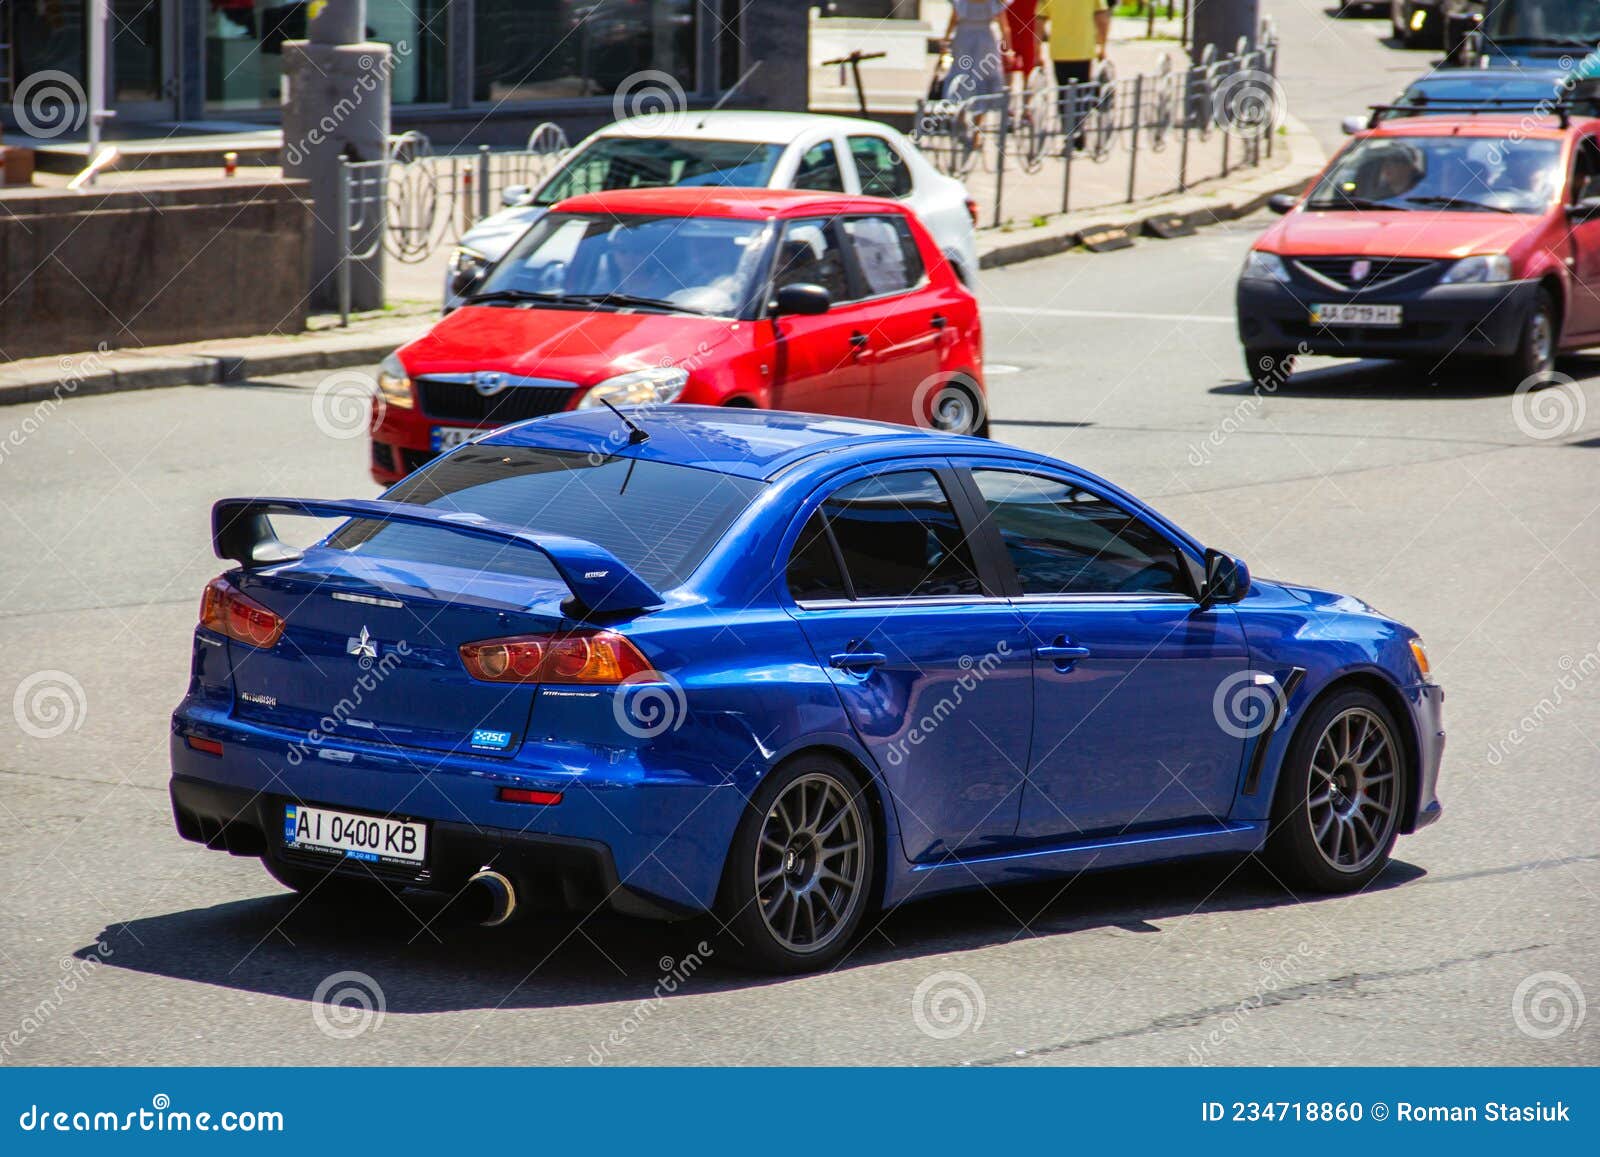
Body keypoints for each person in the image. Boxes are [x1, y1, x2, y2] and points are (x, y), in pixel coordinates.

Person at [1041, 0, 1111, 141]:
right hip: (1083, 50)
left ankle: (1069, 131)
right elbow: (1102, 18)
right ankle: (1078, 130)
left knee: (1063, 92)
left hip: (1059, 51)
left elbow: (1039, 20)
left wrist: (1037, 50)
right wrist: (1102, 46)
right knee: (1081, 92)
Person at [941, 0, 1010, 103]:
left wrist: (946, 39)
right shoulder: (993, 2)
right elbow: (1005, 28)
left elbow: (953, 20)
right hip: (985, 39)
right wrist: (1008, 49)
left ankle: (959, 104)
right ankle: (981, 107)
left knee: (961, 70)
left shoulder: (961, 2)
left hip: (964, 38)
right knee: (983, 73)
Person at [1003, 1, 1043, 96]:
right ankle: (1017, 102)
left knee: (1011, 78)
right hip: (1021, 38)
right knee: (1013, 76)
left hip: (1019, 39)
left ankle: (1010, 101)